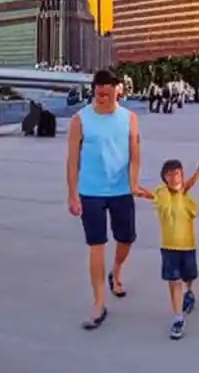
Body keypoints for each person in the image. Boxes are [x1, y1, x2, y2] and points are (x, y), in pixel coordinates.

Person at [66, 69, 142, 330]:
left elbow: (135, 153)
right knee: (96, 245)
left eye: (107, 93)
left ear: (116, 90)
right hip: (91, 192)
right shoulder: (80, 119)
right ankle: (99, 303)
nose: (102, 97)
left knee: (126, 238)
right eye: (98, 93)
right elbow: (72, 159)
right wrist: (72, 193)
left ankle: (117, 270)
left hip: (121, 190)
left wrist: (134, 182)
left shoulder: (129, 119)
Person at [136, 158, 199, 339]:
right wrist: (140, 192)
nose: (174, 177)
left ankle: (188, 292)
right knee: (174, 280)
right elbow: (155, 196)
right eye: (169, 174)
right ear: (164, 178)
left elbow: (187, 186)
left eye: (178, 173)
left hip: (188, 246)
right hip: (169, 247)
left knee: (189, 276)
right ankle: (178, 317)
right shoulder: (162, 194)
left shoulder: (186, 197)